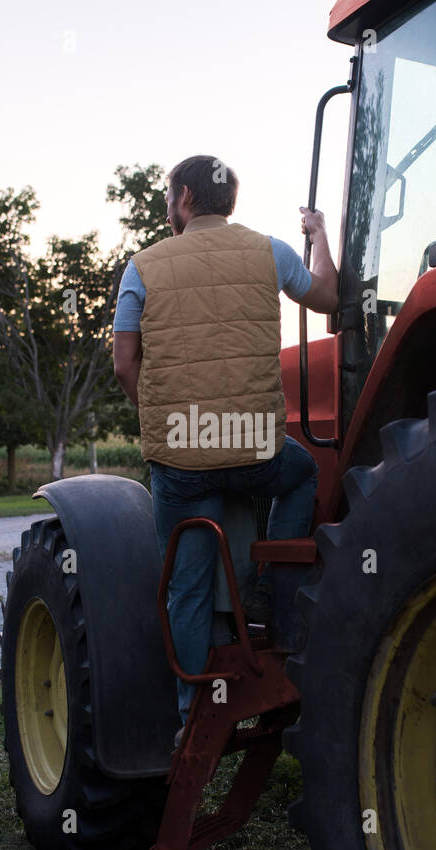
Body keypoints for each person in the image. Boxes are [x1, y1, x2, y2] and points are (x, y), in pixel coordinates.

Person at [111, 154, 339, 736]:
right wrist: (319, 236)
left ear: (185, 197)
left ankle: (193, 717)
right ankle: (267, 592)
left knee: (186, 582)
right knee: (303, 475)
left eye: (168, 198)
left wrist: (161, 421)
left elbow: (123, 363)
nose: (168, 208)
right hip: (256, 450)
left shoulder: (141, 267)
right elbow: (329, 300)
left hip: (182, 457)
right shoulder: (271, 251)